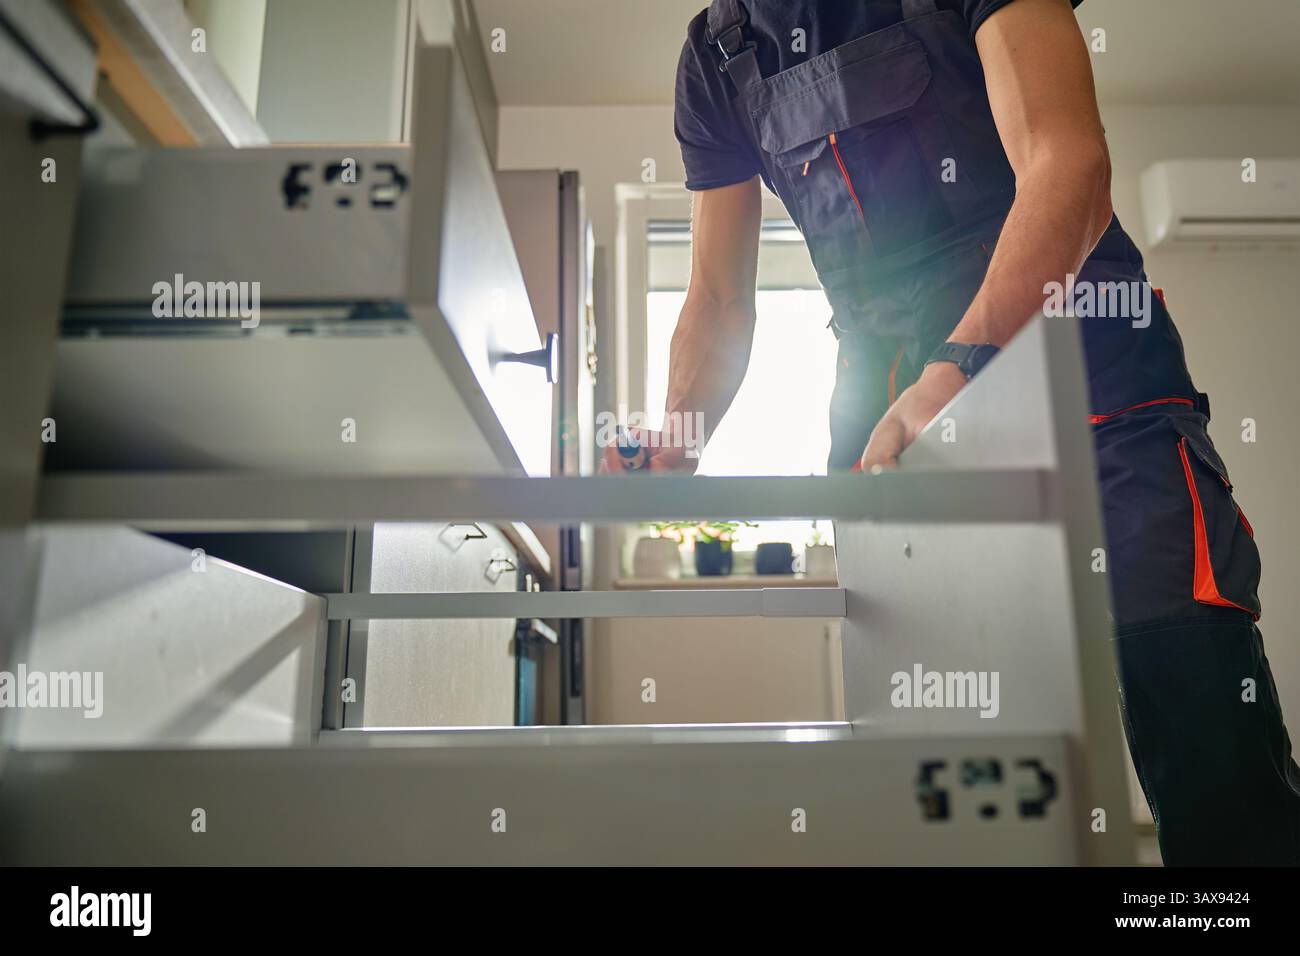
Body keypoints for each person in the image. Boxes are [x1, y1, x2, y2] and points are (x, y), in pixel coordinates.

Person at [602, 0, 1299, 865]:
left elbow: (1068, 163)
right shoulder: (717, 52)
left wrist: (959, 370)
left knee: (1203, 731)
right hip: (890, 414)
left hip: (1086, 366)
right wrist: (677, 437)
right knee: (942, 768)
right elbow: (716, 298)